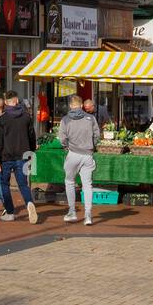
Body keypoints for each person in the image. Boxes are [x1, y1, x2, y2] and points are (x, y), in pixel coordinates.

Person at [0, 89, 39, 223]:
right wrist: (31, 152)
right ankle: (29, 202)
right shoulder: (26, 117)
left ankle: (10, 212)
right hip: (23, 156)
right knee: (23, 184)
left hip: (6, 157)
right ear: (17, 101)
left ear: (6, 103)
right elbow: (32, 136)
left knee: (4, 184)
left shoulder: (2, 119)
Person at [58, 95, 101, 225]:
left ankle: (72, 212)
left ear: (70, 106)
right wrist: (91, 146)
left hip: (73, 153)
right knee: (87, 185)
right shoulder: (91, 118)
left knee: (69, 182)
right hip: (88, 154)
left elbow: (62, 139)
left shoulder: (65, 120)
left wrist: (67, 147)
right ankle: (88, 215)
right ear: (82, 105)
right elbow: (97, 136)